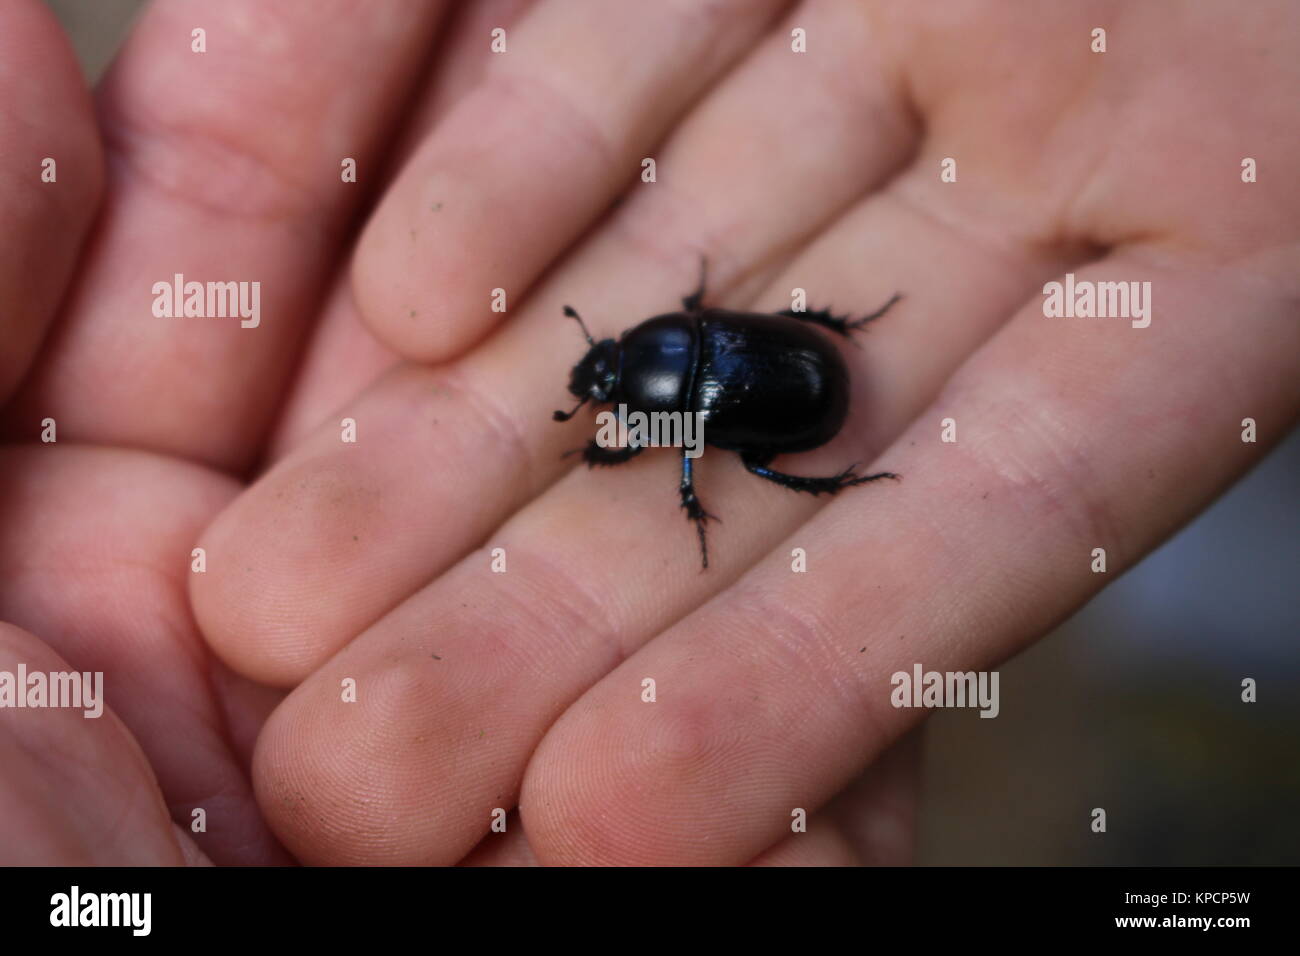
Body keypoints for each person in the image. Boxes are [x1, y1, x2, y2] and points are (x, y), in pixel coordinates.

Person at [0, 0, 1295, 866]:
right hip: (799, 369)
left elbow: (696, 404)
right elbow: (707, 361)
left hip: (806, 383)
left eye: (614, 382)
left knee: (754, 459)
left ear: (645, 381)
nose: (609, 387)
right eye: (614, 382)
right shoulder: (683, 358)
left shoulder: (678, 391)